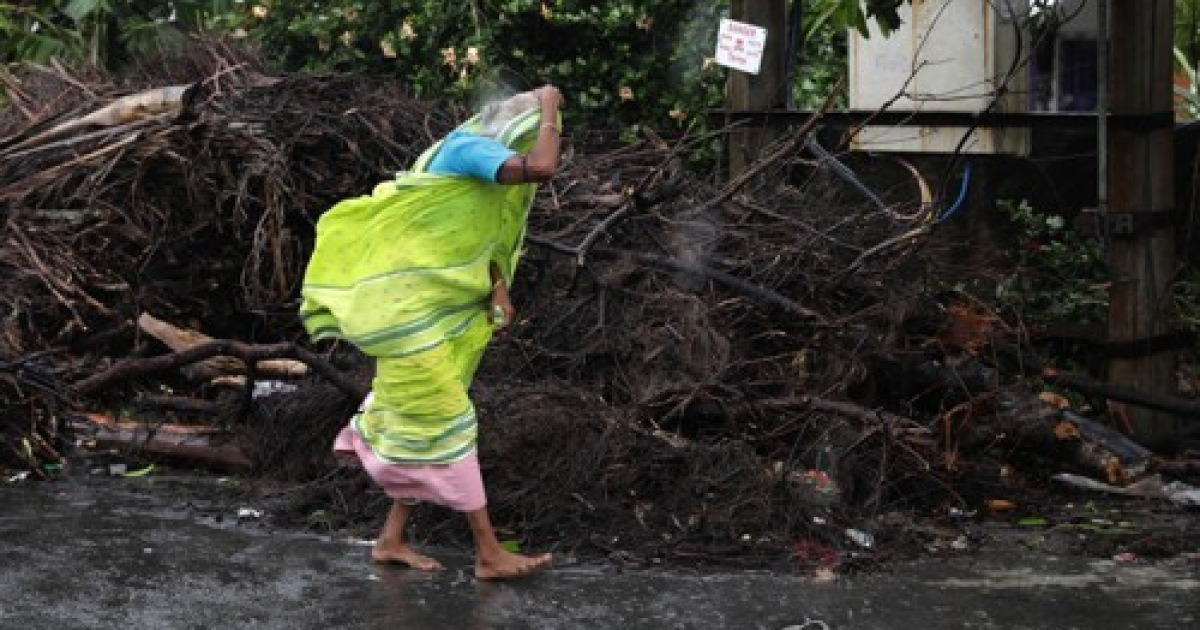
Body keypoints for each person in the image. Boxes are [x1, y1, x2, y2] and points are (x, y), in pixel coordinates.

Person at [299, 85, 564, 580]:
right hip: (411, 314)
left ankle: (390, 538)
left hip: (433, 311)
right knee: (448, 420)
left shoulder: (472, 154)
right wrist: (549, 105)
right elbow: (543, 167)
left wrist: (498, 285)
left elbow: (474, 231)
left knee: (419, 417)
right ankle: (489, 553)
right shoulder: (468, 147)